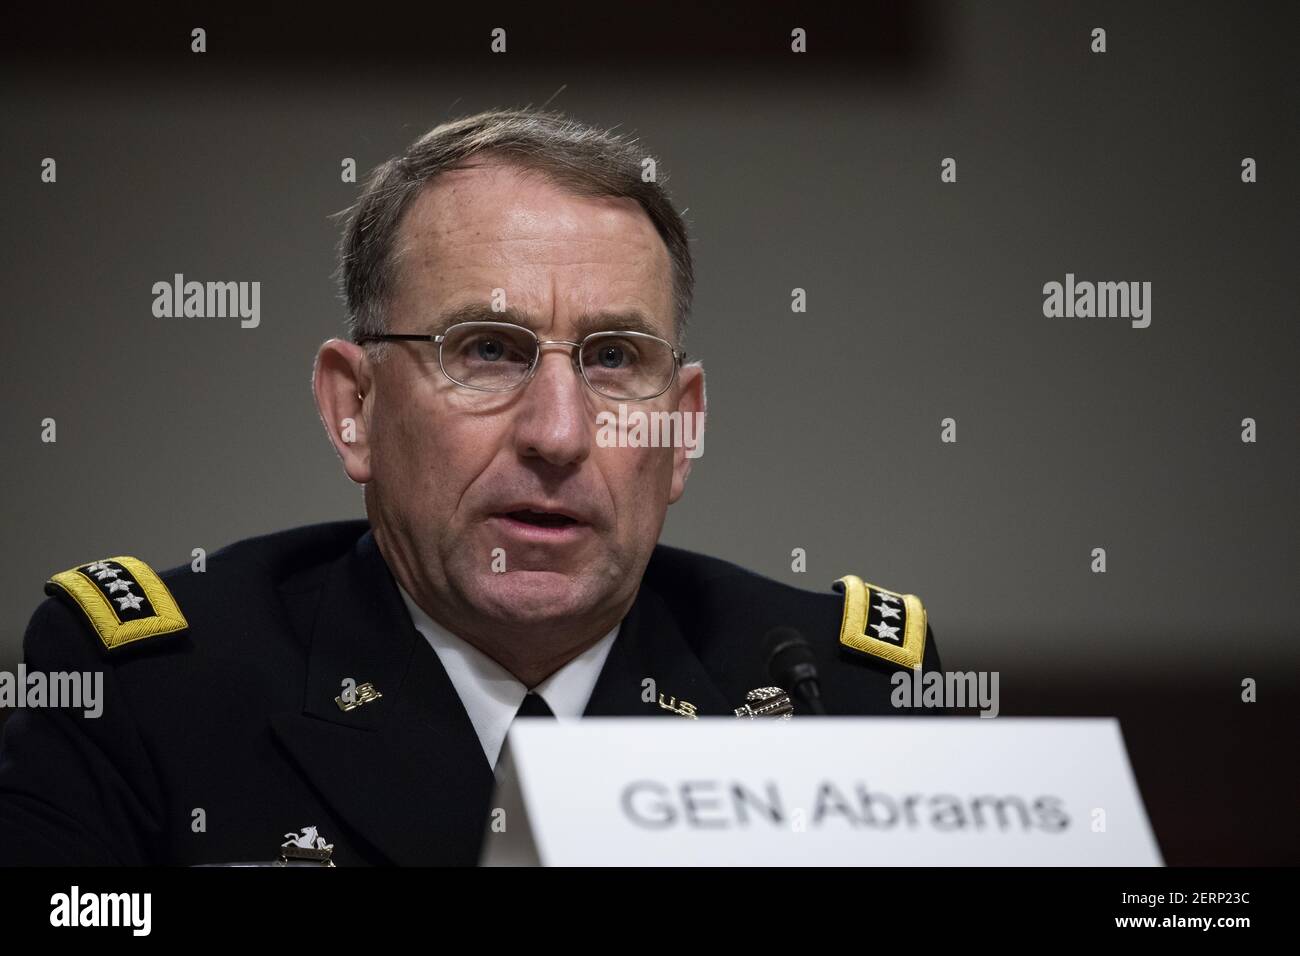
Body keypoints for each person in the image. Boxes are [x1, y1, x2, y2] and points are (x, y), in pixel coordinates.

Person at [0, 108, 941, 866]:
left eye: (614, 360)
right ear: (354, 408)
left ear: (681, 428)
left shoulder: (837, 694)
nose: (559, 435)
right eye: (488, 351)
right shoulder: (154, 692)